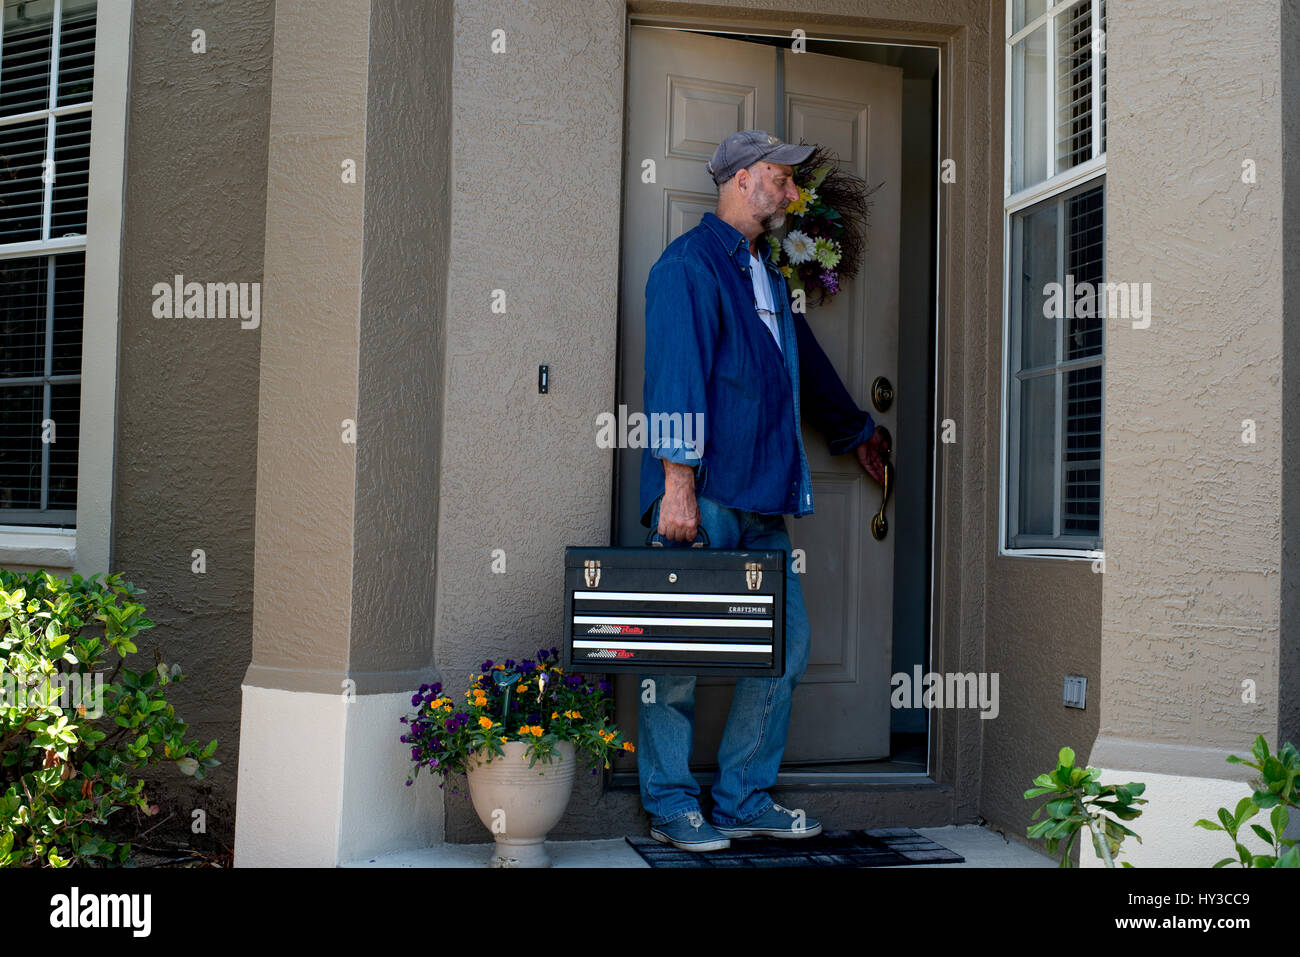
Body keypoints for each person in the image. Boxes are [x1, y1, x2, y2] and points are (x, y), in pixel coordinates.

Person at [637, 129, 890, 852]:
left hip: (763, 502)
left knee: (786, 647)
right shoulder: (688, 268)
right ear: (744, 179)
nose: (788, 192)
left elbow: (799, 363)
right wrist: (677, 487)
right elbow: (676, 377)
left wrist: (854, 432)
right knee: (675, 654)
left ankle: (743, 795)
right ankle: (670, 801)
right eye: (780, 178)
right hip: (707, 497)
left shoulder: (768, 273)